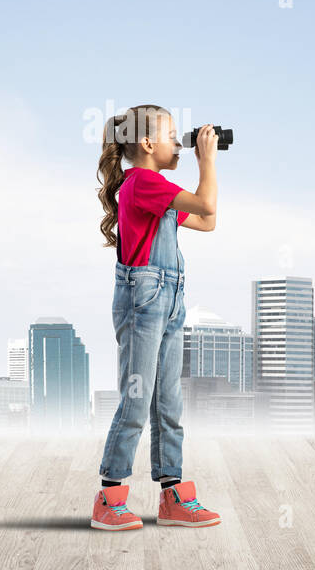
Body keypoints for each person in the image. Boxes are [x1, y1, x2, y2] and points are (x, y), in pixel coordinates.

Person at [91, 104, 222, 530]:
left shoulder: (159, 190)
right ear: (147, 144)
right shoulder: (144, 183)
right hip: (144, 301)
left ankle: (172, 496)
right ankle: (109, 498)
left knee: (168, 402)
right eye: (172, 136)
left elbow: (207, 220)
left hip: (169, 300)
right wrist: (207, 161)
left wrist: (207, 165)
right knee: (137, 397)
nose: (179, 143)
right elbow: (205, 201)